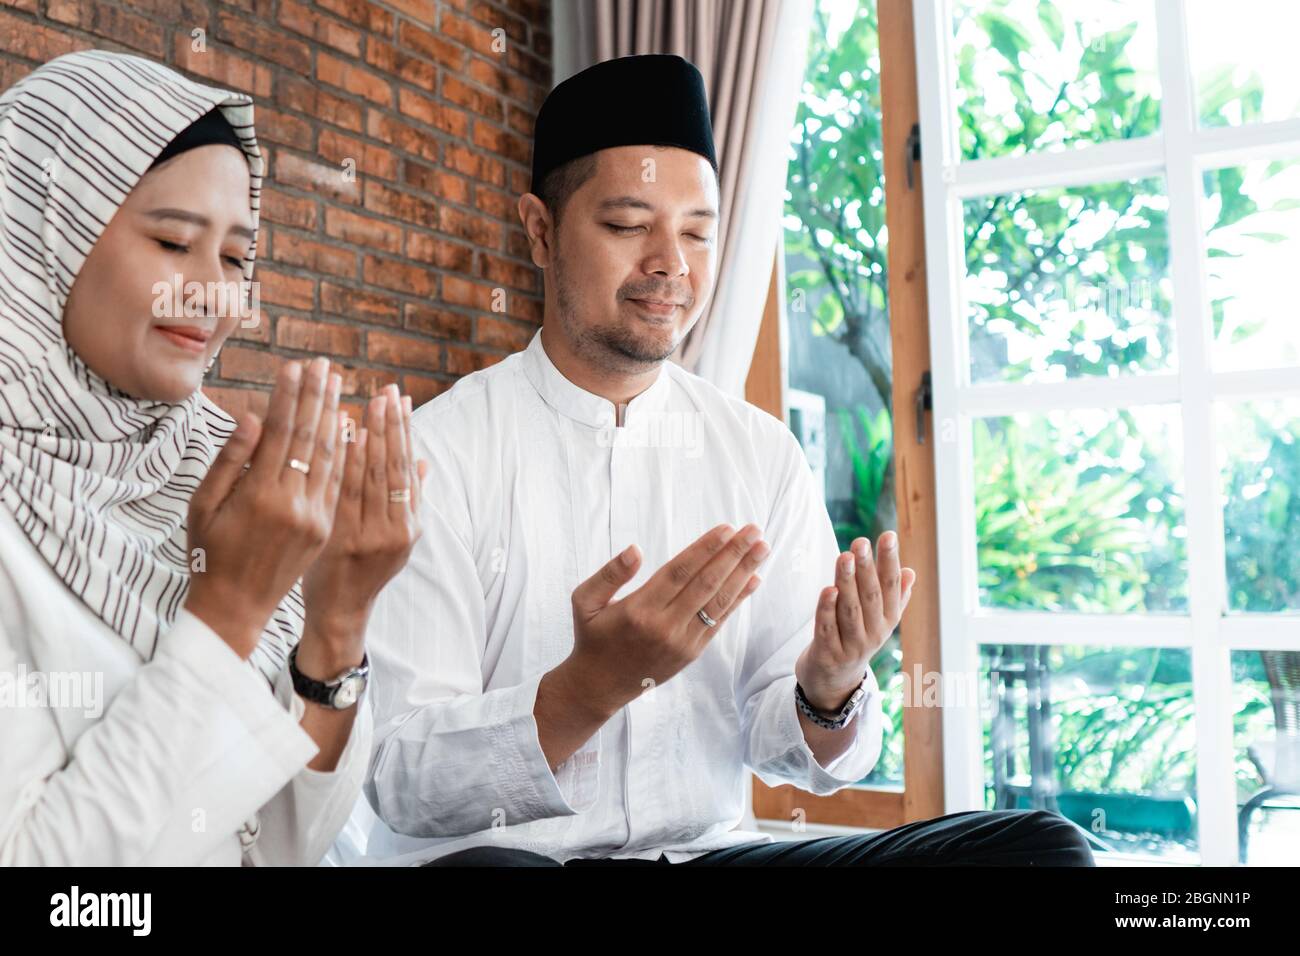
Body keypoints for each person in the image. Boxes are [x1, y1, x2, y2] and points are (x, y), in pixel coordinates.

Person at [357, 54, 1094, 866]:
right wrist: (587, 690)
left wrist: (829, 685)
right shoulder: (437, 452)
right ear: (539, 230)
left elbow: (792, 751)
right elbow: (397, 775)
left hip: (708, 861)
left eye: (699, 232)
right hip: (506, 864)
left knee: (1041, 852)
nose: (671, 263)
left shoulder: (758, 452)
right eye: (629, 226)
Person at [0, 50, 423, 865]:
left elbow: (284, 847)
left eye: (235, 258)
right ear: (38, 228)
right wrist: (228, 608)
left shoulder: (210, 465)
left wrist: (336, 623)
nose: (213, 293)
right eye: (172, 241)